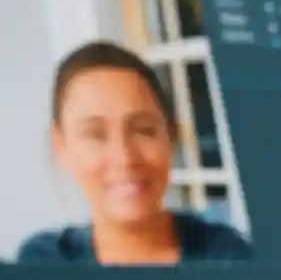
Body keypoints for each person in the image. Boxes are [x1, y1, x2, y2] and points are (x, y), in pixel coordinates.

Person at [17, 40, 251, 265]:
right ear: (61, 146)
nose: (124, 158)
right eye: (95, 134)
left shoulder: (227, 257)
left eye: (144, 131)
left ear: (171, 136)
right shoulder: (44, 262)